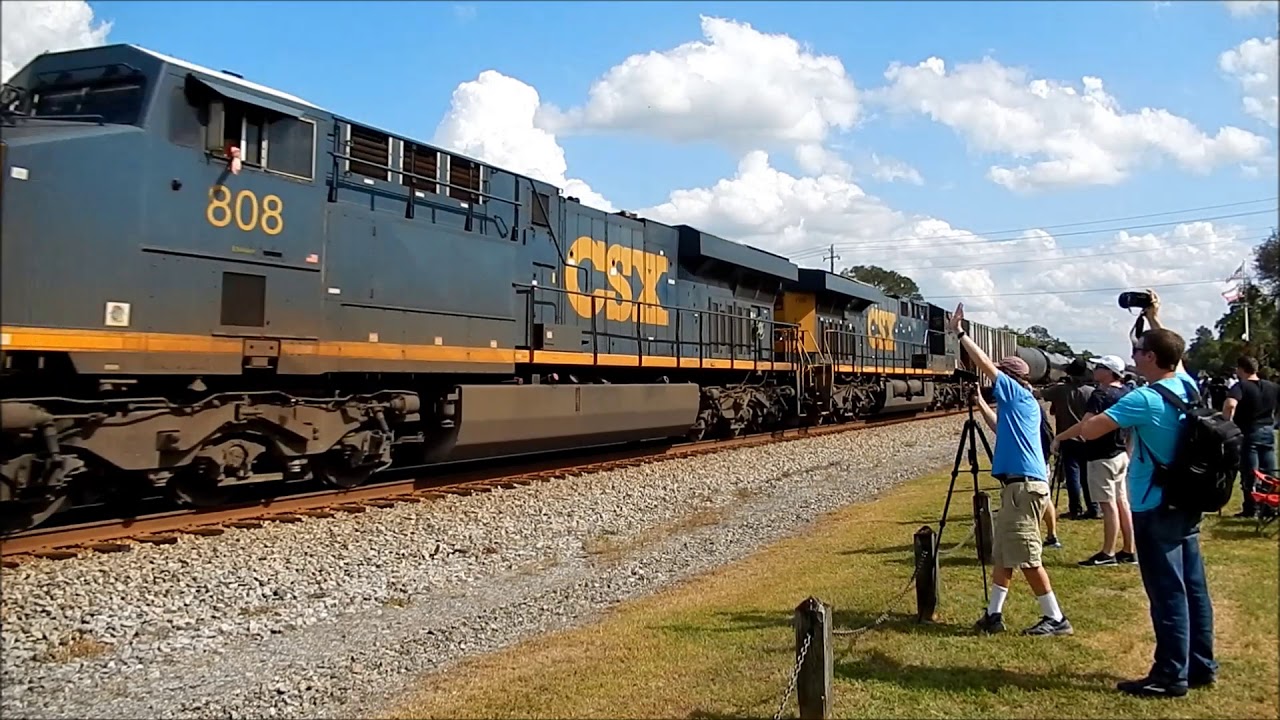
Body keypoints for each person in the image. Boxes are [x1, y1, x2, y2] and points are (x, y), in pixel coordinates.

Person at [1059, 291, 1216, 697]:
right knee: (1193, 588)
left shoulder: (1142, 398)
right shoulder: (1186, 383)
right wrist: (1154, 317)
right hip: (1187, 499)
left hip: (1155, 503)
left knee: (1166, 593)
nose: (1134, 352)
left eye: (1139, 348)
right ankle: (1201, 666)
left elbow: (1092, 430)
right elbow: (1172, 352)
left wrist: (1073, 426)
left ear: (1148, 358)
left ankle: (1170, 676)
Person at [948, 304, 1072, 637]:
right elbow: (997, 427)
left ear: (1011, 378)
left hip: (1024, 488)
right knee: (1004, 554)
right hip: (1017, 488)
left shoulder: (1016, 393)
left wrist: (960, 333)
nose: (994, 382)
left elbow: (986, 365)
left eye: (1000, 376)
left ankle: (1056, 618)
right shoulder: (1021, 405)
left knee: (1029, 557)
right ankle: (993, 615)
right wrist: (980, 402)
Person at [1052, 355, 1136, 566]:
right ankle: (1129, 549)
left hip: (1102, 456)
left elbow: (1085, 426)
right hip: (1120, 454)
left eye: (1099, 366)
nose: (1094, 369)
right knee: (1122, 502)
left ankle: (1107, 553)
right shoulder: (1126, 393)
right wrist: (1129, 450)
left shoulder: (1100, 395)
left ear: (1108, 372)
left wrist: (1060, 437)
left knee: (1108, 506)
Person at [1222, 355, 1279, 518]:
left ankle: (1251, 507)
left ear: (1240, 369)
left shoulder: (1241, 386)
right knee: (1269, 471)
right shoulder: (1272, 387)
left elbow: (1231, 404)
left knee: (1250, 472)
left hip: (1248, 431)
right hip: (1268, 430)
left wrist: (1227, 422)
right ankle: (1270, 506)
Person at [1040, 375, 1099, 519]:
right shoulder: (1091, 392)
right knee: (1087, 475)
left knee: (1072, 474)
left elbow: (1039, 394)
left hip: (1067, 437)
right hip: (1087, 438)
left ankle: (1075, 508)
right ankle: (1093, 507)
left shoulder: (1060, 390)